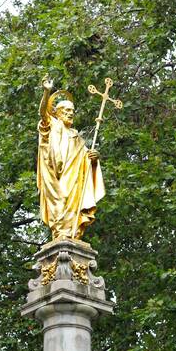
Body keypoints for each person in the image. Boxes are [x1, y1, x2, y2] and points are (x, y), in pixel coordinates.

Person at [37, 75, 105, 240]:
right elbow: (43, 114)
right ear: (58, 113)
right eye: (66, 111)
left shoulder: (77, 138)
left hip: (75, 179)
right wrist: (47, 92)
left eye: (72, 111)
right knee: (61, 203)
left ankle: (73, 235)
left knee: (73, 205)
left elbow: (86, 160)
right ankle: (61, 235)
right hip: (56, 178)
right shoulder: (52, 127)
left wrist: (94, 158)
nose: (70, 113)